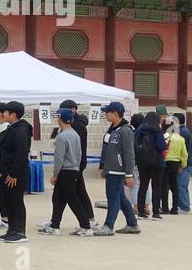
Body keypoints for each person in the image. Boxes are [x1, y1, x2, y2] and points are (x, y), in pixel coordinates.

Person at [38, 108, 91, 235]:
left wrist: (55, 175)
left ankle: (85, 226)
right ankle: (55, 225)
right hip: (73, 170)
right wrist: (77, 168)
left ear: (60, 118)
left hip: (65, 171)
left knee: (72, 199)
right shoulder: (75, 134)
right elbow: (79, 154)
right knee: (58, 198)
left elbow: (59, 158)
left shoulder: (62, 136)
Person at [93, 101, 140, 236]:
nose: (105, 114)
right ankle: (132, 224)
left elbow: (129, 154)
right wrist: (104, 166)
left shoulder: (125, 130)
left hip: (118, 170)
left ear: (115, 113)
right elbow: (108, 149)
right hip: (112, 168)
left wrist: (129, 174)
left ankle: (108, 226)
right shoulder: (113, 129)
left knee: (112, 197)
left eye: (107, 112)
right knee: (120, 197)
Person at [0, 101, 32, 242]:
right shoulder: (11, 128)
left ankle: (20, 231)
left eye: (5, 112)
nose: (3, 114)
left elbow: (21, 154)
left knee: (17, 201)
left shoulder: (21, 130)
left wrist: (14, 174)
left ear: (13, 114)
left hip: (17, 173)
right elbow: (0, 141)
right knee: (8, 201)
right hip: (7, 171)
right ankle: (11, 229)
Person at [58, 99, 95, 226]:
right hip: (74, 164)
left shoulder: (77, 126)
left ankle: (88, 221)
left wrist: (77, 165)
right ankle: (54, 222)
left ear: (73, 110)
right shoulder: (73, 125)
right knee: (62, 194)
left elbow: (78, 148)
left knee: (77, 193)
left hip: (74, 165)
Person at [134, 110, 167, 219]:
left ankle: (141, 212)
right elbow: (161, 146)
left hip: (142, 162)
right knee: (156, 187)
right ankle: (156, 212)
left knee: (143, 186)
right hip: (157, 162)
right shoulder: (157, 131)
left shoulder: (139, 131)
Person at [162, 118, 187, 215]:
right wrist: (182, 165)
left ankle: (165, 208)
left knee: (164, 186)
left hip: (164, 162)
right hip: (175, 162)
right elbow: (184, 154)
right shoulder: (180, 138)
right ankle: (175, 208)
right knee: (175, 186)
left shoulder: (163, 137)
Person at [175, 113, 192, 212]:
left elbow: (183, 151)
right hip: (185, 162)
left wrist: (182, 164)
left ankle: (184, 207)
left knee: (181, 185)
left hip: (184, 163)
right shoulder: (182, 131)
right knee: (182, 185)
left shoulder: (183, 132)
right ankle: (184, 205)